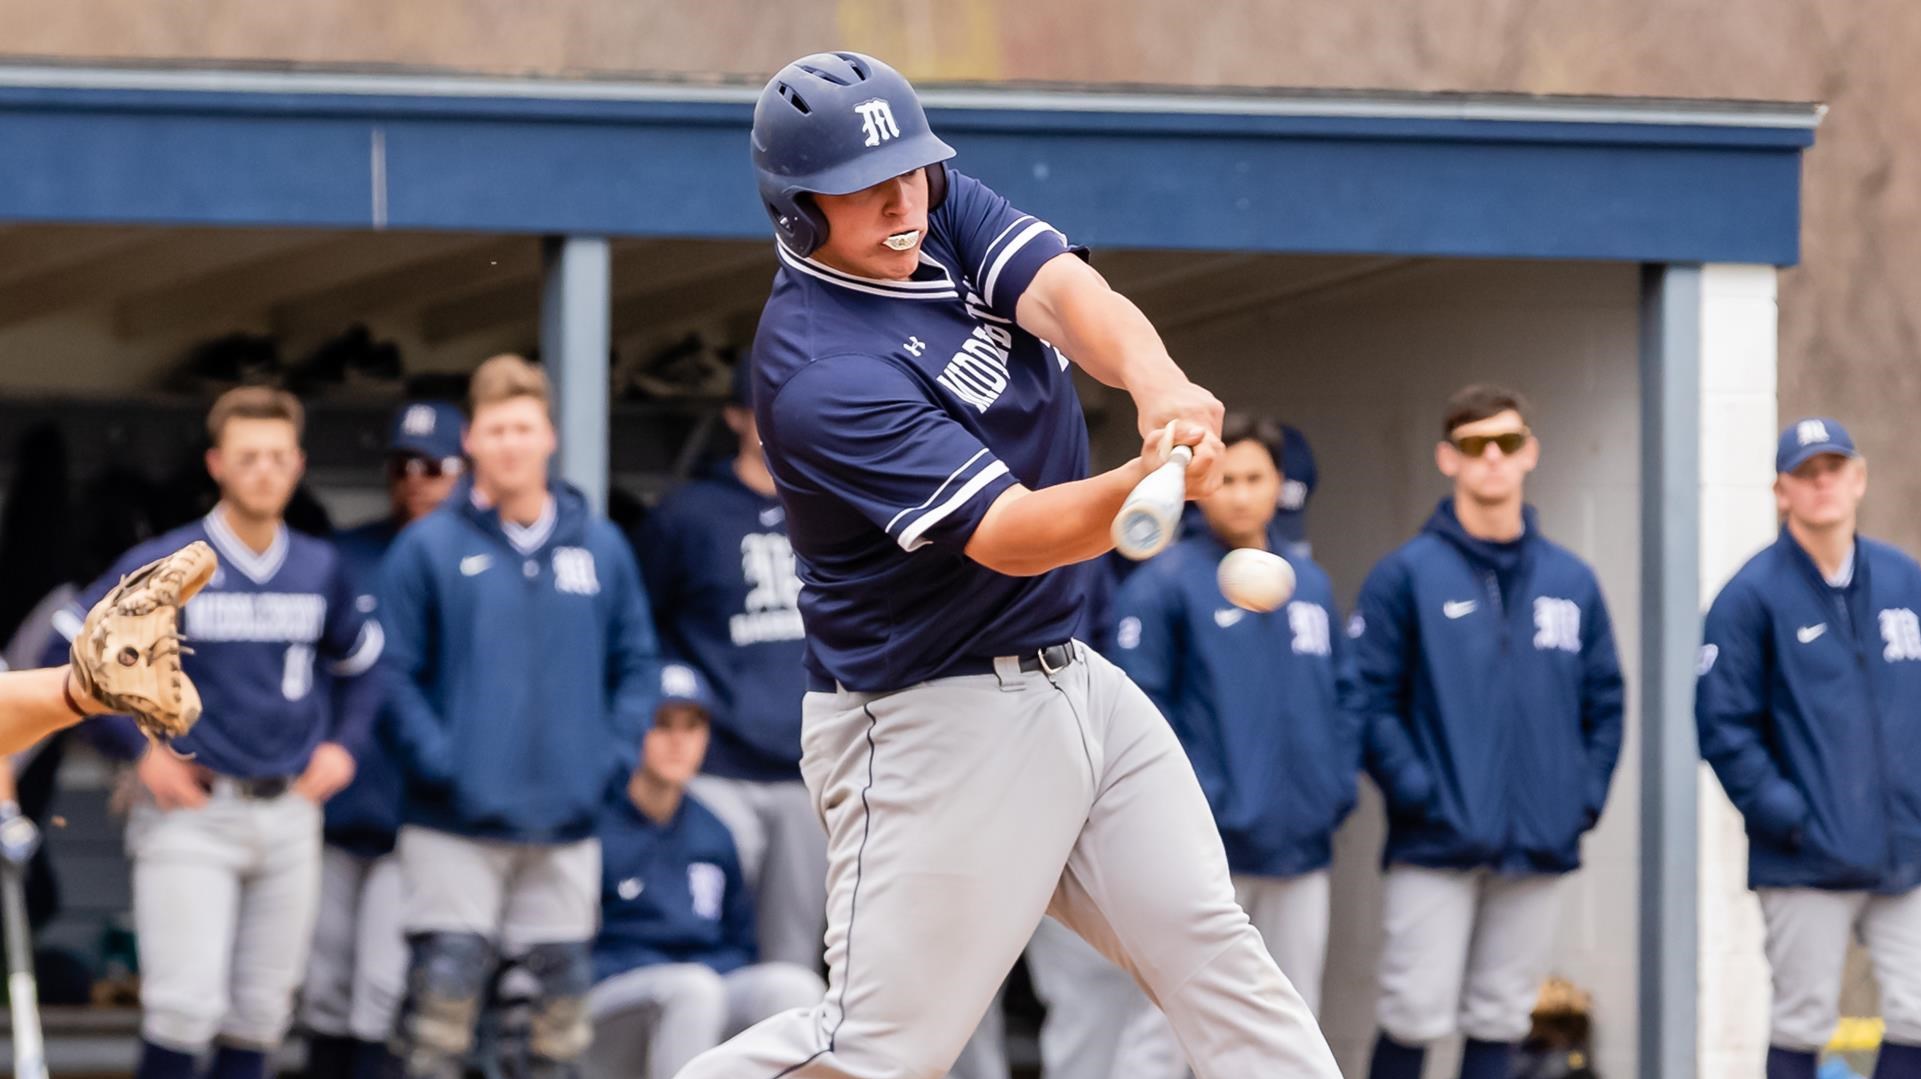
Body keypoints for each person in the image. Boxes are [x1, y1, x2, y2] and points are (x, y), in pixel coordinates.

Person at [678, 51, 1339, 1079]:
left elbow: (1070, 298)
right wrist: (1145, 483)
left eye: (911, 170)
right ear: (800, 212)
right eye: (867, 188)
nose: (902, 199)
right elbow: (1013, 530)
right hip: (929, 718)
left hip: (1070, 675)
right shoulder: (816, 369)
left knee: (1213, 950)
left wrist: (1159, 387)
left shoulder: (931, 203)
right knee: (877, 1049)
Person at [55, 386, 385, 1079]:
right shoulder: (174, 558)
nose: (263, 469)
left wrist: (344, 747)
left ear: (296, 464)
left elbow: (365, 666)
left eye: (275, 455)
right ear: (217, 464)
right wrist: (134, 751)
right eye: (247, 456)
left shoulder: (319, 565)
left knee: (260, 1013)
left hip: (289, 806)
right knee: (183, 1009)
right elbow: (70, 652)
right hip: (192, 809)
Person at [380, 355, 658, 1079]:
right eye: (495, 429)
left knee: (555, 1035)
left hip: (566, 822)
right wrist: (445, 764)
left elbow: (637, 667)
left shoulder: (599, 547)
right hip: (452, 824)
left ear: (549, 437)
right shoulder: (428, 547)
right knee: (441, 1027)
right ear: (470, 440)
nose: (510, 443)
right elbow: (391, 675)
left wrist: (607, 761)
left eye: (523, 428)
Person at [1350, 384, 1624, 1079]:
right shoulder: (1405, 575)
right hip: (1435, 837)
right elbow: (1367, 699)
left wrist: (1578, 799)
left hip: (1536, 837)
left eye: (1506, 442)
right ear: (1448, 457)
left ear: (1530, 450)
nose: (1492, 458)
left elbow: (1604, 701)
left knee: (1500, 1014)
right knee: (1413, 1007)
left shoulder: (1571, 579)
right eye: (1474, 445)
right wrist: (1418, 792)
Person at [1114, 411, 1363, 1017]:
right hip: (1203, 848)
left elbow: (1348, 695)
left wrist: (1331, 791)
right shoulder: (1162, 583)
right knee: (1172, 1022)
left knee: (1289, 1018)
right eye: (1228, 479)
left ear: (1280, 485)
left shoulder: (1308, 583)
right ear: (1203, 486)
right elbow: (1140, 713)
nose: (1243, 493)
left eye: (1257, 478)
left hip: (1300, 844)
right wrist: (1205, 803)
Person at [1696, 418, 1921, 1079]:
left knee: (1915, 1011)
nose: (1821, 484)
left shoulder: (1902, 579)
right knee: (1804, 1017)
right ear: (1780, 490)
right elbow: (1721, 723)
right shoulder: (1750, 595)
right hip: (1804, 854)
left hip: (1903, 846)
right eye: (1805, 473)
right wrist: (1785, 814)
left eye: (1833, 469)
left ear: (1857, 478)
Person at [635, 361, 824, 969]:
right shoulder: (687, 515)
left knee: (794, 962)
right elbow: (640, 631)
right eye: (762, 409)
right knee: (707, 947)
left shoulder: (835, 509)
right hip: (716, 769)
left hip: (808, 770)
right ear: (737, 416)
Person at [302, 400, 465, 1079]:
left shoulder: (475, 558)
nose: (415, 480)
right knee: (324, 990)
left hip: (420, 809)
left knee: (380, 990)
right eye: (402, 465)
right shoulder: (348, 554)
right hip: (339, 803)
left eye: (432, 466)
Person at [585, 663, 824, 1079]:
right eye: (663, 725)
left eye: (692, 726)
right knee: (692, 989)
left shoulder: (713, 830)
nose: (679, 742)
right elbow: (572, 950)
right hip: (611, 1005)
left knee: (794, 987)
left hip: (700, 994)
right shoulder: (596, 825)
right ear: (633, 727)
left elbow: (740, 941)